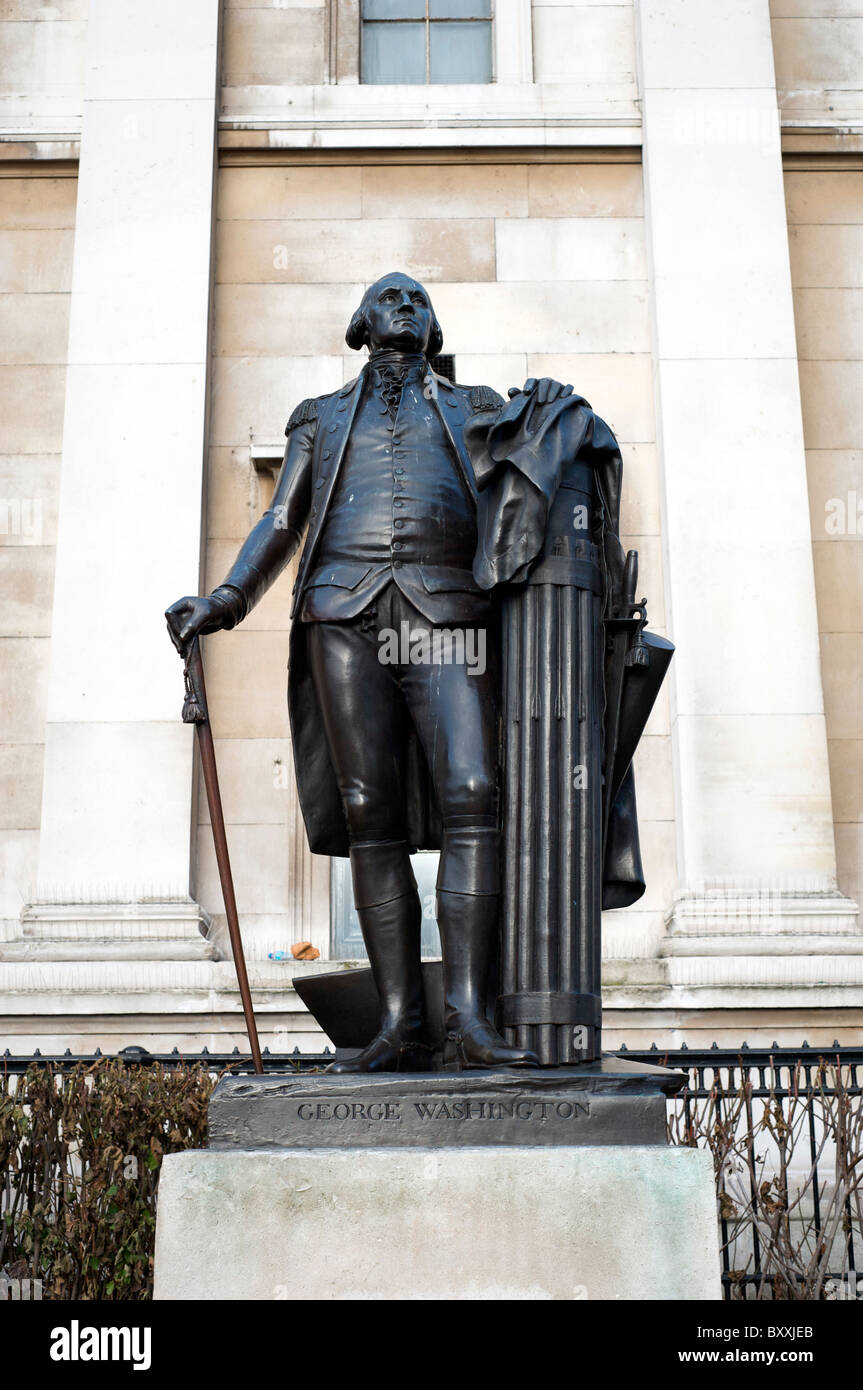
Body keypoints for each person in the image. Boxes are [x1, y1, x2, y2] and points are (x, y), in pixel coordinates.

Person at [167, 272, 574, 1072]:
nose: (407, 307)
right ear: (360, 324)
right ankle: (396, 1023)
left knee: (473, 792)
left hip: (447, 613)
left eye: (420, 300)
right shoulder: (319, 417)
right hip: (340, 615)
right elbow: (282, 520)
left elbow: (542, 467)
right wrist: (225, 599)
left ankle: (469, 1018)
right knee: (368, 812)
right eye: (391, 297)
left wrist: (554, 409)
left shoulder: (476, 407)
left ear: (434, 329)